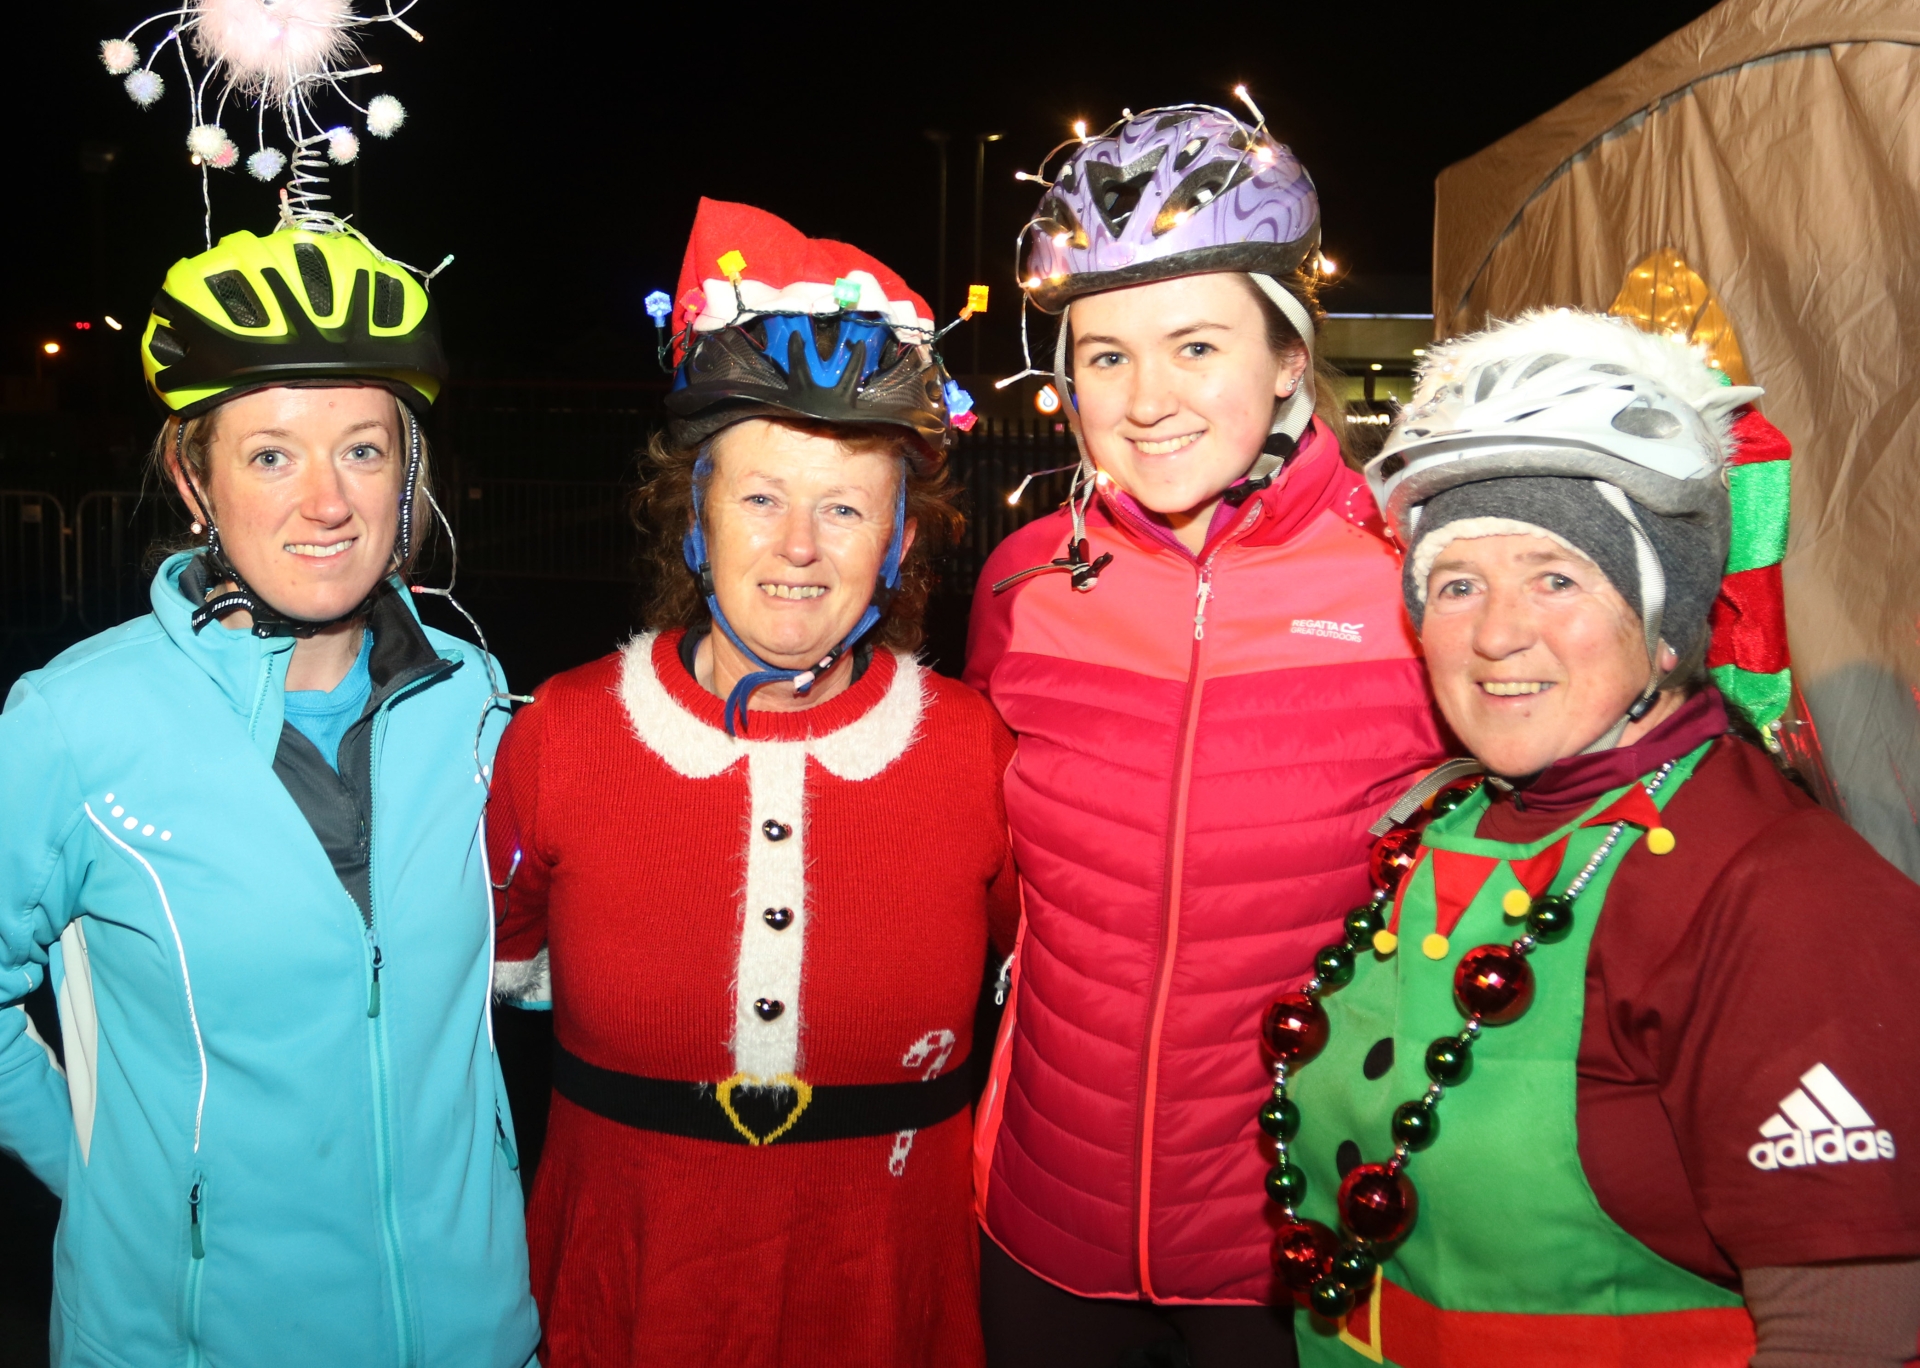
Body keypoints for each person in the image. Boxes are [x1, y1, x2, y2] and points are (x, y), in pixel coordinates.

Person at [1265, 309, 1920, 1366]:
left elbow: (1851, 1333)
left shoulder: (1786, 895)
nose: (1496, 632)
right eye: (1456, 583)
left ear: (1666, 623)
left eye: (1557, 577)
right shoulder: (1447, 823)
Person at [486, 198, 1018, 1367]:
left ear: (901, 545)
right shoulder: (562, 734)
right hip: (629, 1292)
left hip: (886, 1296)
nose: (798, 549)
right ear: (693, 515)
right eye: (761, 499)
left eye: (844, 509)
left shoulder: (976, 749)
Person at [965, 102, 1450, 1365]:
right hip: (1042, 1237)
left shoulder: (1408, 583)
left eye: (1195, 344)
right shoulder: (1024, 580)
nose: (1145, 398)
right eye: (1104, 355)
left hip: (1287, 1258)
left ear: (1289, 357)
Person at [0, 227, 538, 1365]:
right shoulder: (72, 722)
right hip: (188, 1339)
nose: (327, 502)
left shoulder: (474, 699)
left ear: (410, 474)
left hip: (471, 1331)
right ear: (195, 477)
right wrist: (104, 1175)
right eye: (270, 455)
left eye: (362, 449)